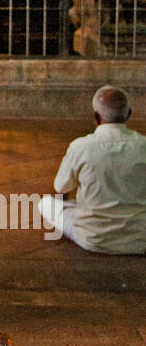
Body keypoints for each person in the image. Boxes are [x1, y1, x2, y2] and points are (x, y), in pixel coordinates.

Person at [39, 87, 146, 253]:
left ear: (96, 117)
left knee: (45, 204)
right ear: (129, 114)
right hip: (140, 239)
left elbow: (61, 188)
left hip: (92, 236)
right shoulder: (143, 145)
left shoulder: (81, 146)